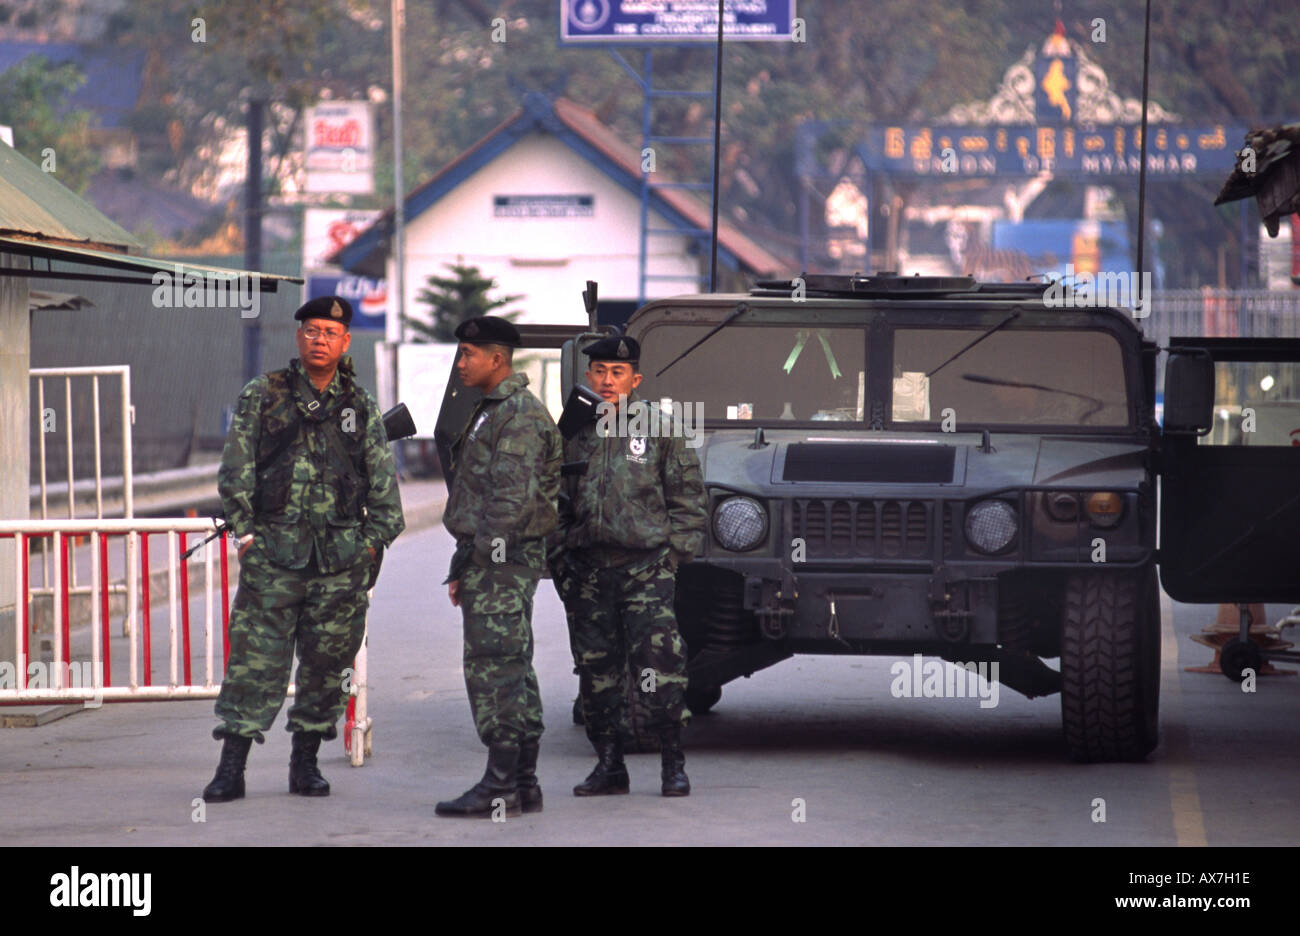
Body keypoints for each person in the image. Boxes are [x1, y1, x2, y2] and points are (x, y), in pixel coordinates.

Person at [202, 295, 405, 802]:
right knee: (254, 663)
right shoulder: (264, 394)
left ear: (345, 342)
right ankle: (231, 768)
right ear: (299, 337)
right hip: (273, 557)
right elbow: (236, 468)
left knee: (326, 666)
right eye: (311, 331)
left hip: (339, 564)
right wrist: (247, 535)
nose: (319, 340)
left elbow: (382, 480)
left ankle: (306, 763)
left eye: (329, 333)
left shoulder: (359, 404)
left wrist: (372, 545)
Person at [552, 336, 706, 797]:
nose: (606, 380)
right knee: (597, 673)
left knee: (659, 668)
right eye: (598, 370)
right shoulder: (572, 431)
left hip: (645, 571)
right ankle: (609, 764)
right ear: (588, 376)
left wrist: (671, 559)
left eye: (617, 372)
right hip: (589, 572)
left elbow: (689, 501)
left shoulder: (661, 428)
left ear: (635, 380)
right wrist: (562, 557)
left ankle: (671, 763)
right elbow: (552, 500)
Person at [436, 315, 561, 818]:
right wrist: (463, 560)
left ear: (497, 359)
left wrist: (481, 559)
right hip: (491, 557)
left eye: (469, 354)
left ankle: (501, 783)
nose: (461, 362)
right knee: (511, 663)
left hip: (502, 561)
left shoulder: (518, 416)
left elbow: (508, 502)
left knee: (494, 667)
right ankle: (523, 783)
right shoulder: (493, 411)